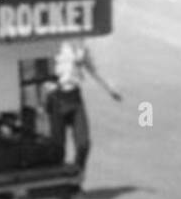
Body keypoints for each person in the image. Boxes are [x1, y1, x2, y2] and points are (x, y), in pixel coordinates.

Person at [44, 38, 122, 178]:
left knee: (83, 144)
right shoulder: (51, 43)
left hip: (74, 97)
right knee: (57, 148)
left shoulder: (81, 46)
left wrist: (110, 89)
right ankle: (57, 186)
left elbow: (93, 69)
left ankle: (77, 176)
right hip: (56, 97)